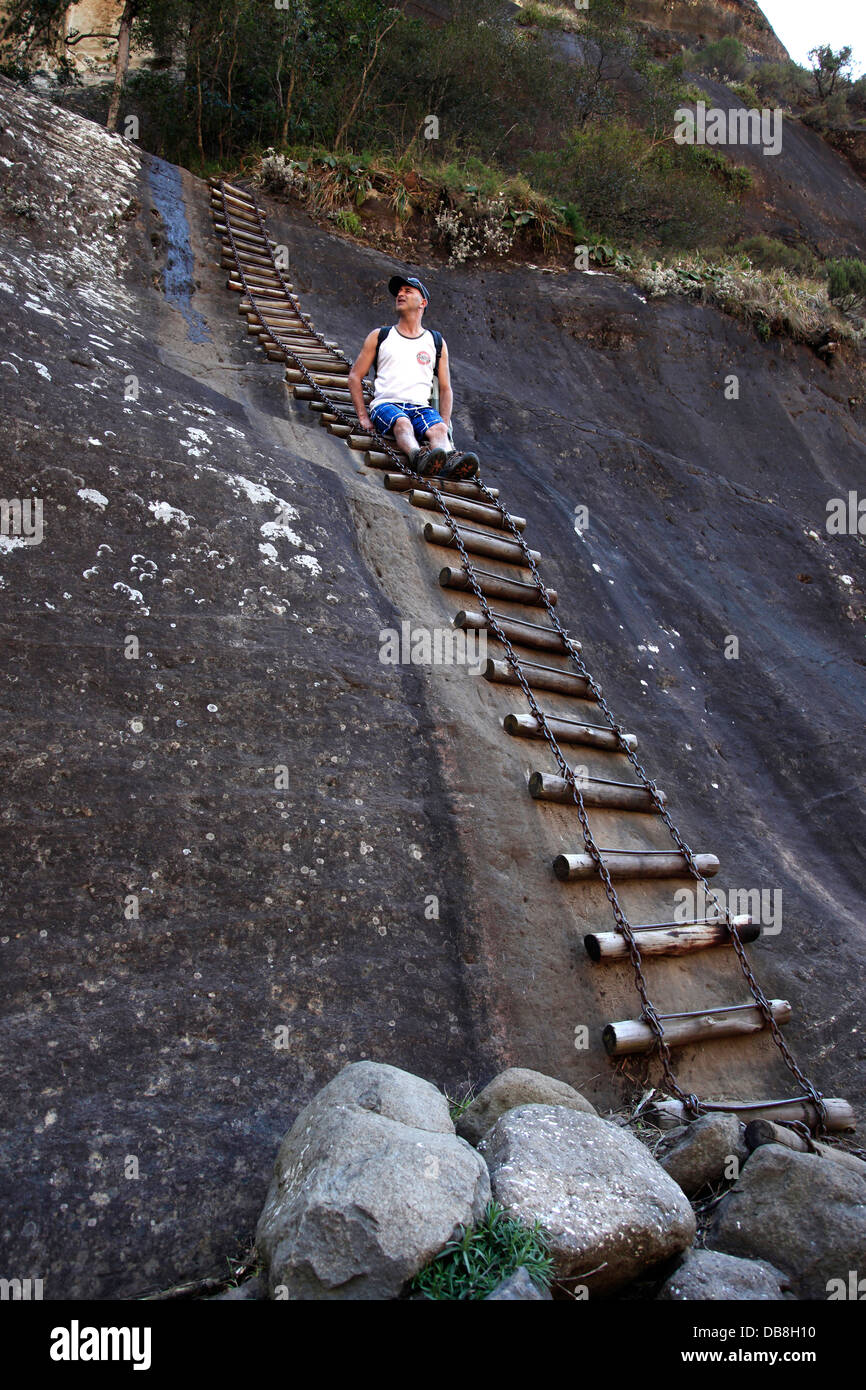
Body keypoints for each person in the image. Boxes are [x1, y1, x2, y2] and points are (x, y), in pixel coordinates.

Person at [347, 275, 480, 479]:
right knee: (402, 423)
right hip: (386, 404)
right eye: (399, 292)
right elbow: (355, 376)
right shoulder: (380, 336)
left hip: (421, 407)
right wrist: (363, 417)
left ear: (423, 303)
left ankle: (449, 459)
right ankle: (418, 457)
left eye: (408, 291)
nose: (400, 294)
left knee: (437, 430)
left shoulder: (435, 342)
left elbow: (445, 388)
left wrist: (444, 423)